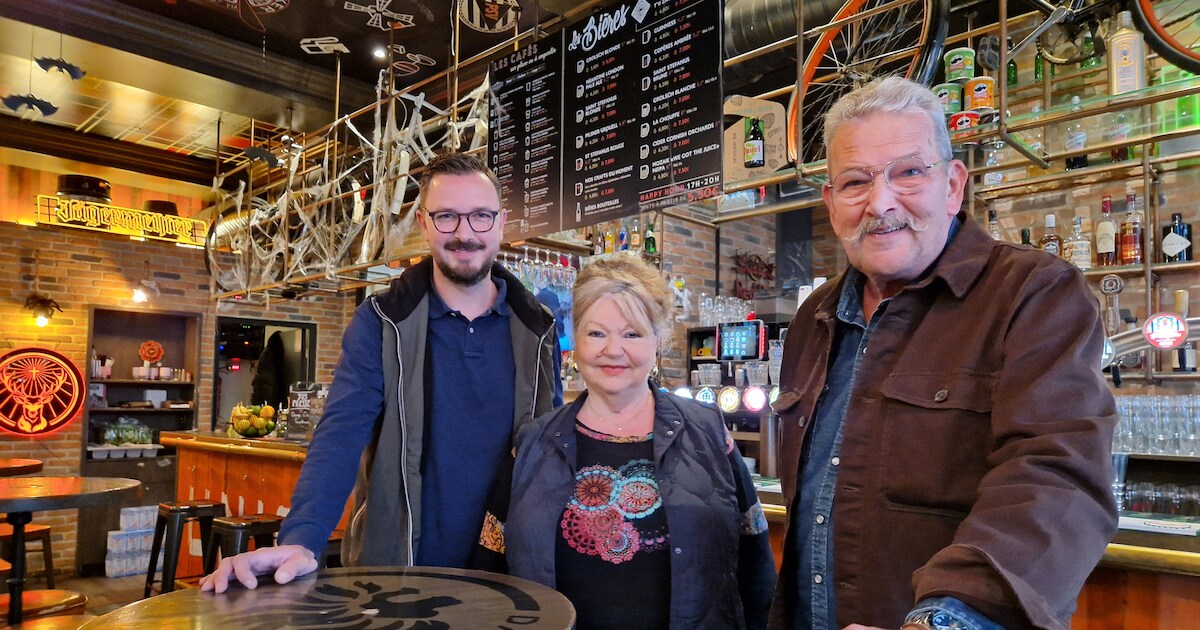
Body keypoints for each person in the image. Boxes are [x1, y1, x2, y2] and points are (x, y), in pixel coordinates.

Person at [767, 77, 1116, 630]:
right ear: (832, 204)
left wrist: (948, 619)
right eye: (856, 182)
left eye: (908, 172)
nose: (881, 202)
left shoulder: (1032, 292)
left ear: (953, 185)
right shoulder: (815, 316)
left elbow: (1055, 472)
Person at [200, 152, 562, 592]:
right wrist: (302, 539)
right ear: (424, 223)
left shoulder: (538, 329)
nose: (465, 233)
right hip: (401, 570)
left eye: (480, 217)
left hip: (513, 571)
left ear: (501, 222)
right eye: (447, 216)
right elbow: (340, 433)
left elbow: (554, 449)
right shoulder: (382, 322)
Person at [476, 254, 776, 629]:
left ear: (658, 341)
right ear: (576, 338)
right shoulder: (532, 442)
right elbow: (490, 562)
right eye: (596, 333)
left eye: (631, 333)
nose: (612, 350)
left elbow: (756, 564)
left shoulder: (709, 432)